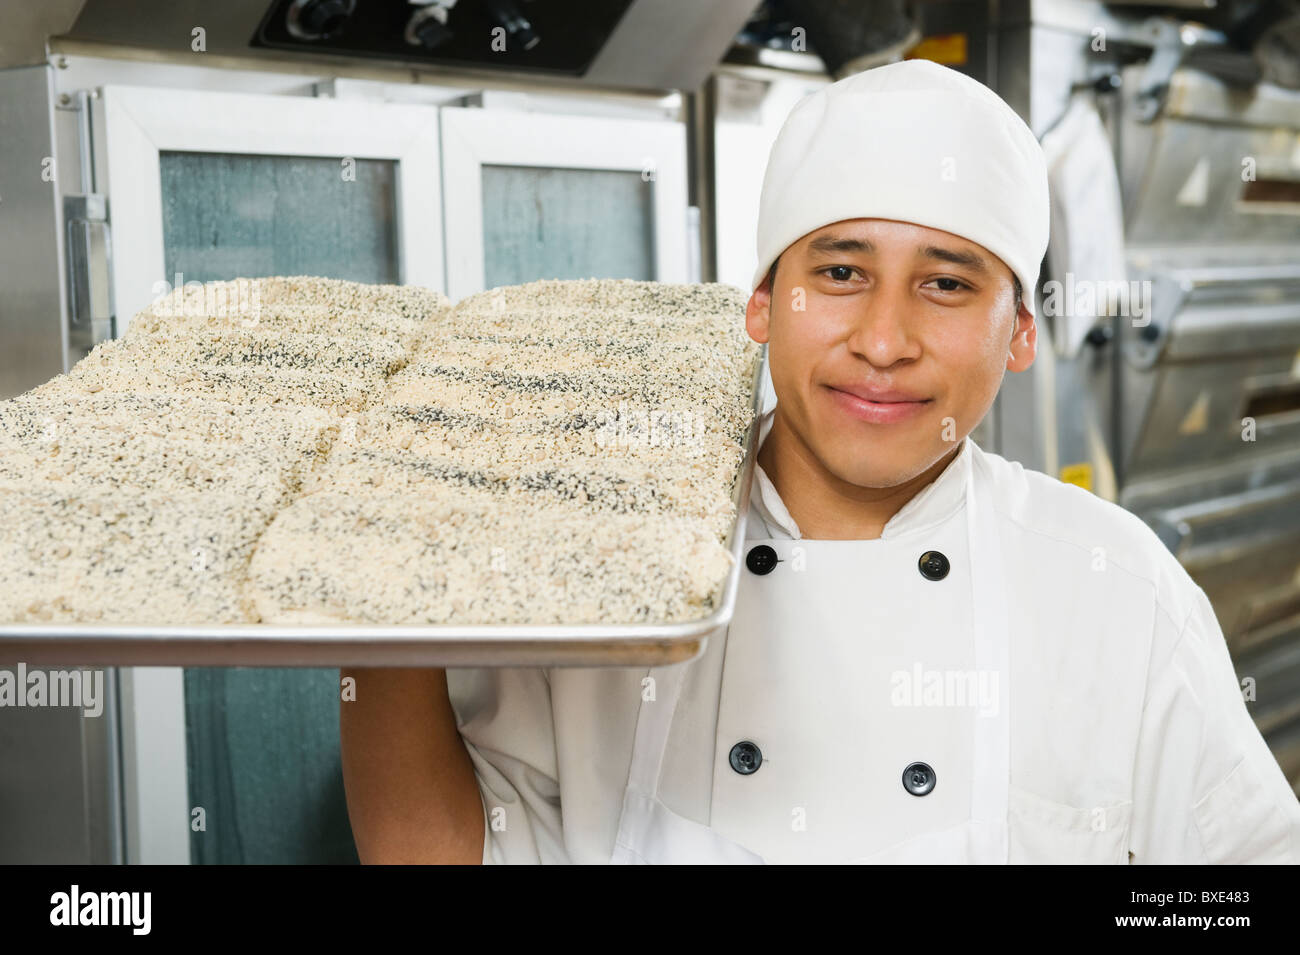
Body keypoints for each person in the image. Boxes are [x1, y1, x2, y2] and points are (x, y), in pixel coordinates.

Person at [340, 59, 1300, 864]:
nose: (884, 340)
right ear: (761, 302)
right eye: (840, 274)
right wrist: (372, 588)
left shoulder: (1119, 592)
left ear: (1019, 331)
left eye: (946, 284)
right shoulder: (604, 566)